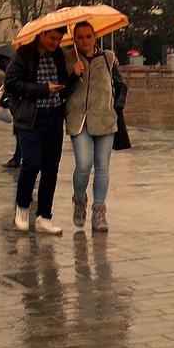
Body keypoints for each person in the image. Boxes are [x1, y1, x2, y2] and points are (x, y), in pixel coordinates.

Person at [4, 26, 72, 234]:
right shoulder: (24, 54)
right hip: (30, 118)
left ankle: (45, 215)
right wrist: (44, 89)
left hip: (53, 117)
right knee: (32, 163)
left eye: (59, 39)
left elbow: (65, 85)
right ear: (41, 35)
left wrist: (73, 76)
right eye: (52, 38)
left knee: (51, 168)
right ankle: (22, 208)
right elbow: (11, 84)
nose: (55, 43)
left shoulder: (58, 54)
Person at [64, 22, 127, 232]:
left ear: (95, 37)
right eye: (79, 37)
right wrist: (73, 74)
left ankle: (99, 211)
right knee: (83, 164)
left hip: (105, 119)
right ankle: (79, 199)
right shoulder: (68, 59)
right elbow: (62, 91)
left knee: (102, 166)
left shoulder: (108, 58)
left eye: (88, 36)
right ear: (74, 39)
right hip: (79, 119)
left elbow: (121, 85)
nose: (84, 41)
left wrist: (115, 107)